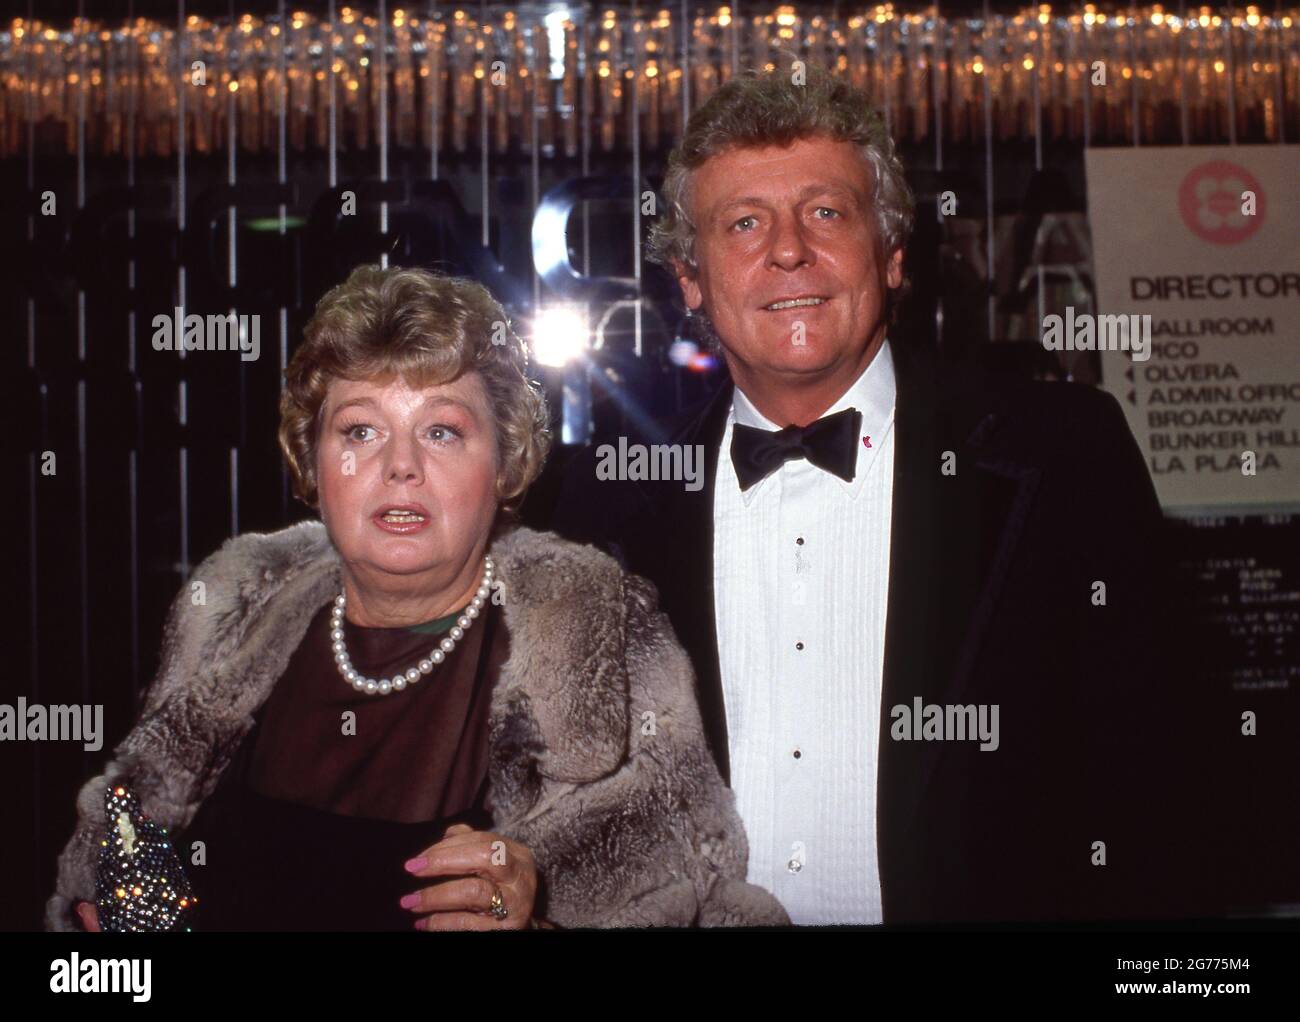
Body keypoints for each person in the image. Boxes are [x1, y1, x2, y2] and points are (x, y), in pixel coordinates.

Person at [527, 64, 1222, 925]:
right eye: (744, 222)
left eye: (826, 212)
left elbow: (1161, 781)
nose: (788, 249)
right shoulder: (603, 505)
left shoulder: (1061, 458)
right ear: (691, 280)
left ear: (892, 255)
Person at [46, 264, 790, 931]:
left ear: (505, 464)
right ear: (311, 461)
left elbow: (707, 902)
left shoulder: (603, 638)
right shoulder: (227, 616)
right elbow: (120, 880)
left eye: (440, 431)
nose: (399, 467)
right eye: (361, 429)